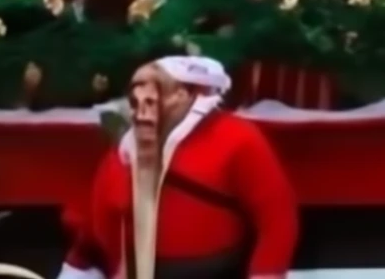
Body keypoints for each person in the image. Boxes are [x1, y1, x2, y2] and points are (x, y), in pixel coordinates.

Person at [60, 55, 297, 279]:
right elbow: (96, 221)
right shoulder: (125, 150)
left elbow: (277, 218)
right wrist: (81, 267)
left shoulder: (237, 138)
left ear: (185, 95)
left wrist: (267, 272)